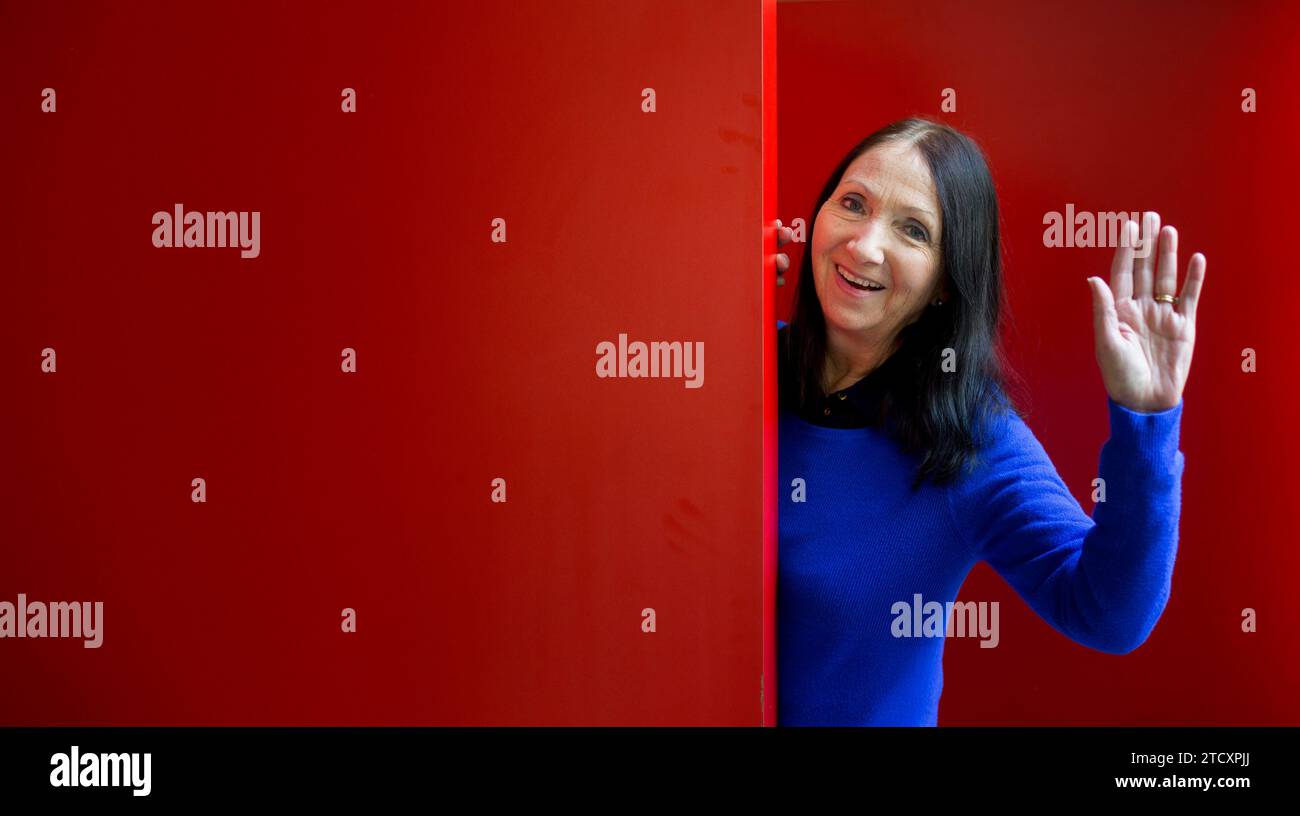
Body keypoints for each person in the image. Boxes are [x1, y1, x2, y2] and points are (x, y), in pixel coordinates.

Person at [770, 117, 1206, 726]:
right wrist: (709, 305)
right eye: (852, 204)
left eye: (913, 230)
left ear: (946, 282)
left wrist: (1148, 423)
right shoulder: (737, 371)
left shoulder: (971, 440)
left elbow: (1110, 614)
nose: (865, 245)